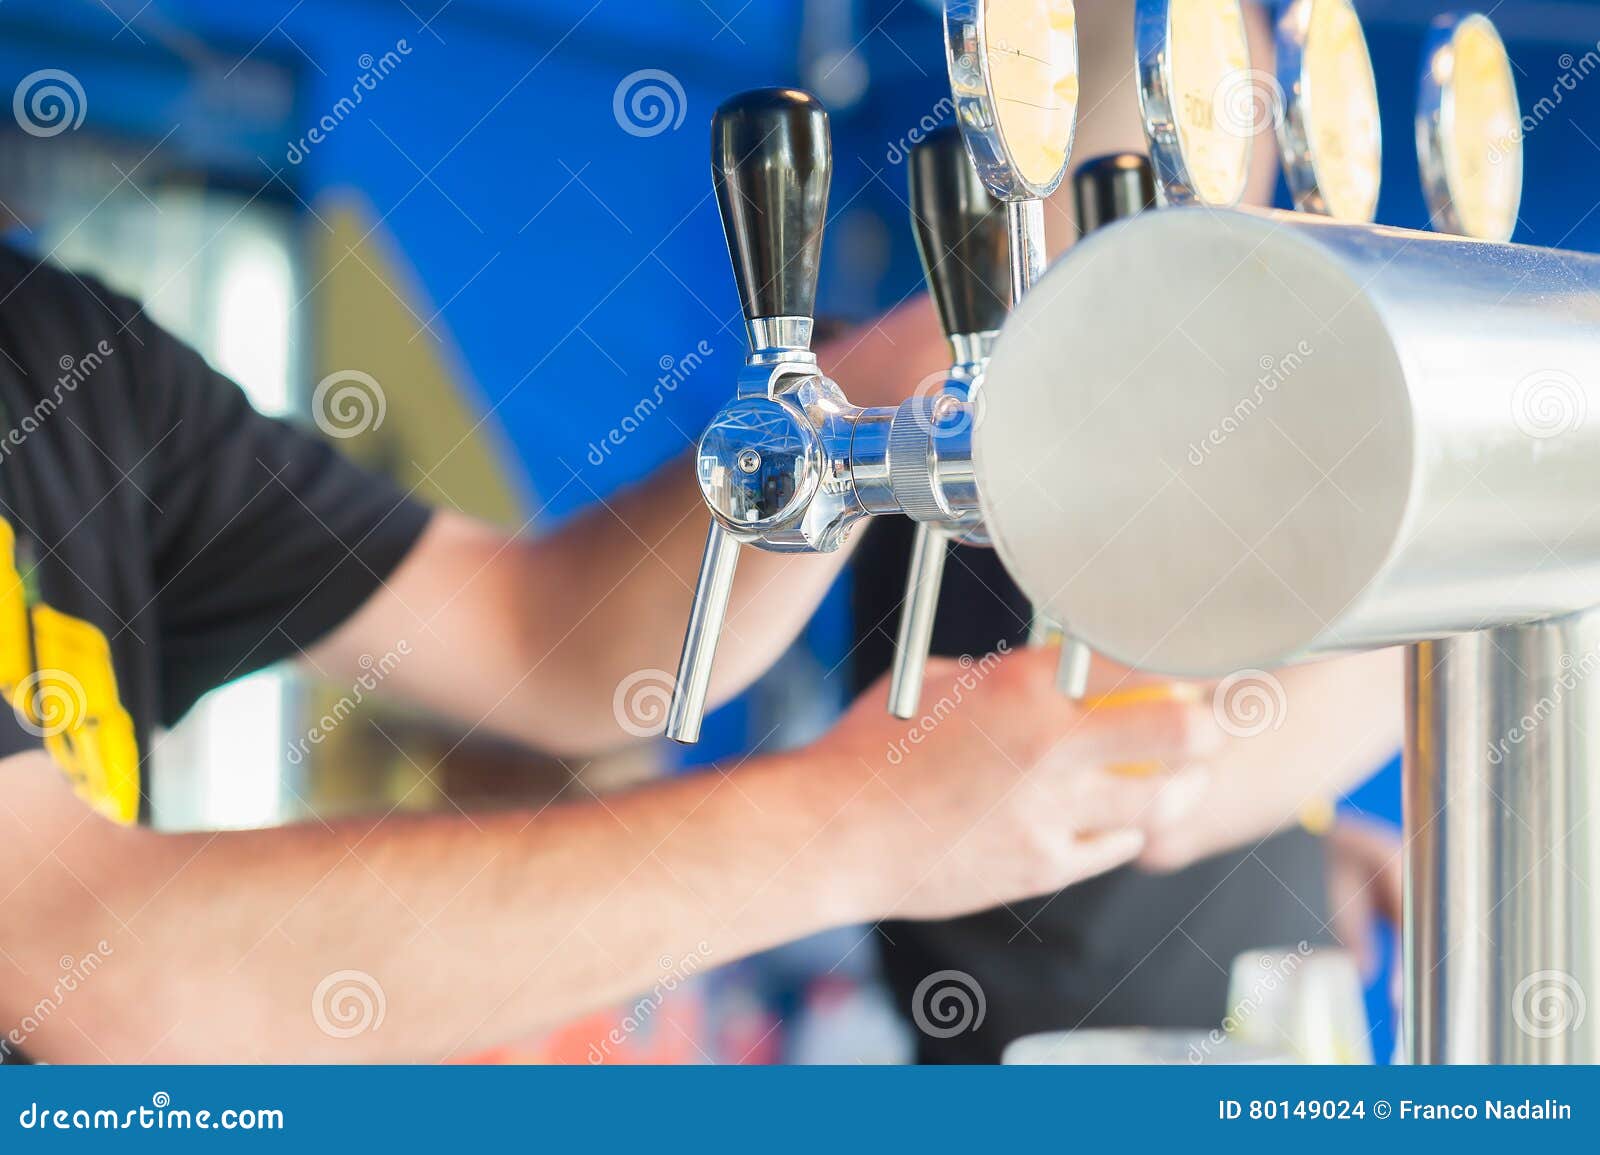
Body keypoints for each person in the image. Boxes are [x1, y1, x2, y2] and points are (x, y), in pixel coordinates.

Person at [0, 236, 1235, 1063]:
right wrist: (862, 826)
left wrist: (905, 372)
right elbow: (71, 961)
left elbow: (547, 640)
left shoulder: (65, 353)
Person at [849, 0, 1404, 1060]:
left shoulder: (1149, 392)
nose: (1263, 188)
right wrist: (1458, 635)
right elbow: (1150, 779)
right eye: (1222, 122)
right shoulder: (999, 398)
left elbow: (1197, 709)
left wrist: (1301, 848)